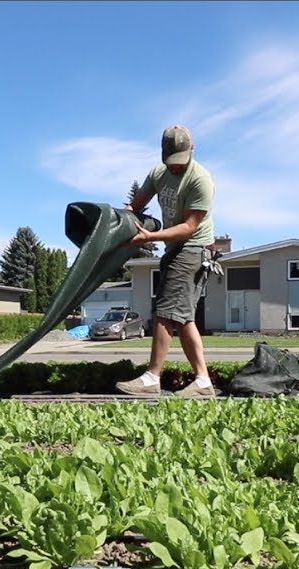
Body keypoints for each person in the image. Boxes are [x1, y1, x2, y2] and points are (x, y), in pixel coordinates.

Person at [116, 124, 217, 398]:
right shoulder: (158, 174)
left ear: (192, 150)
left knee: (164, 313)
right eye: (171, 162)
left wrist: (151, 237)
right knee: (182, 318)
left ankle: (152, 378)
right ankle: (203, 381)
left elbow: (189, 227)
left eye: (181, 162)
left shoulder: (200, 180)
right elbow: (135, 206)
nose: (176, 168)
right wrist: (118, 224)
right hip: (174, 249)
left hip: (193, 249)